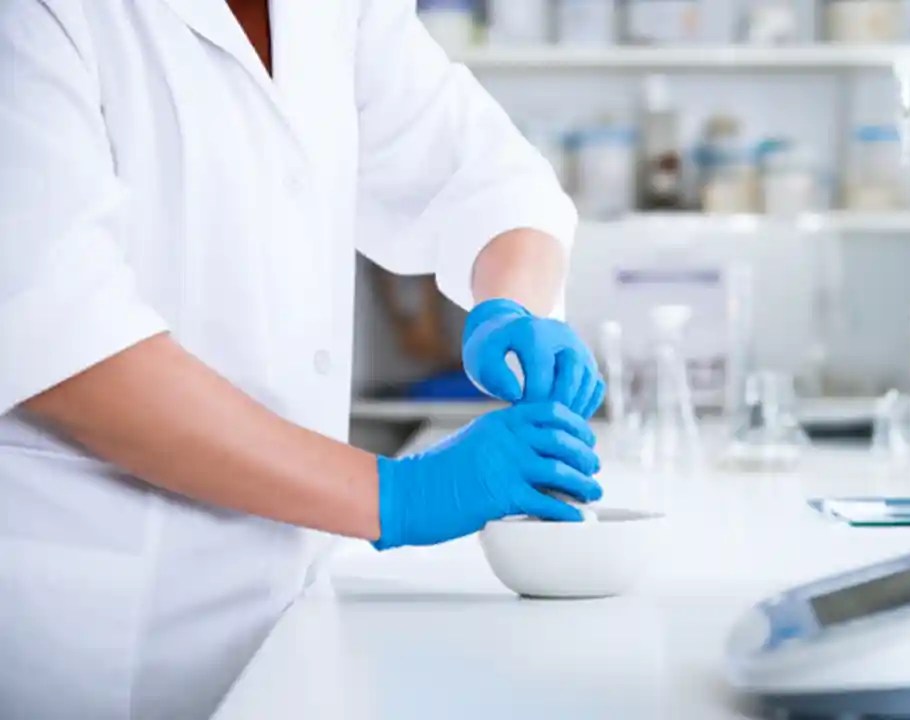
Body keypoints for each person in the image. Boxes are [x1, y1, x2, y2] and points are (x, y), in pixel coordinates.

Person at [0, 1, 604, 718]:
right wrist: (395, 496)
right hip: (94, 627)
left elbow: (484, 174)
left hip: (290, 602)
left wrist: (512, 304)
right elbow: (62, 341)